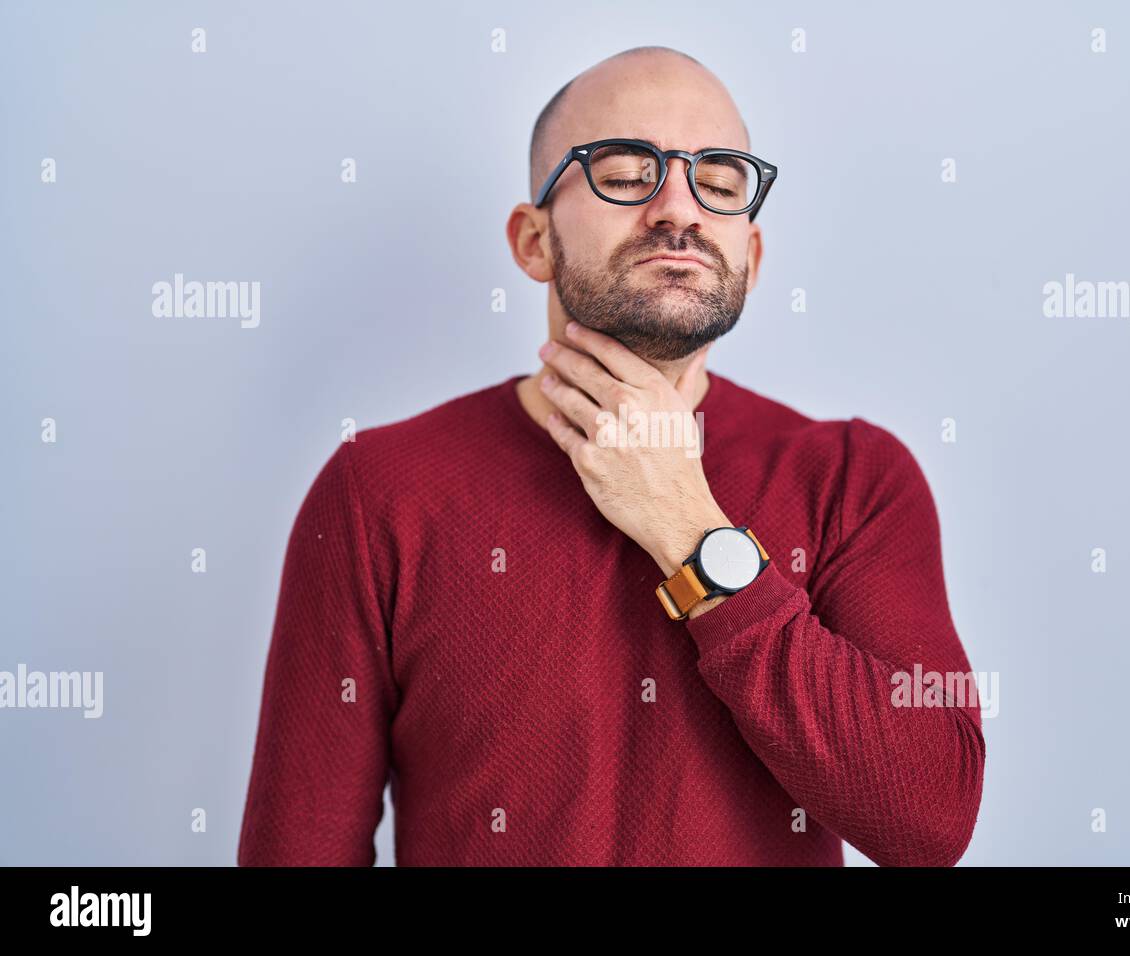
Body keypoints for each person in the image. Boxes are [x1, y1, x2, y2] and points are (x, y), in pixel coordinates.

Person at [237, 45, 985, 867]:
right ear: (533, 242)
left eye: (721, 182)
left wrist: (690, 530)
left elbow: (932, 818)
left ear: (752, 256)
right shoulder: (377, 491)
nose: (680, 209)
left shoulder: (854, 479)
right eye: (627, 174)